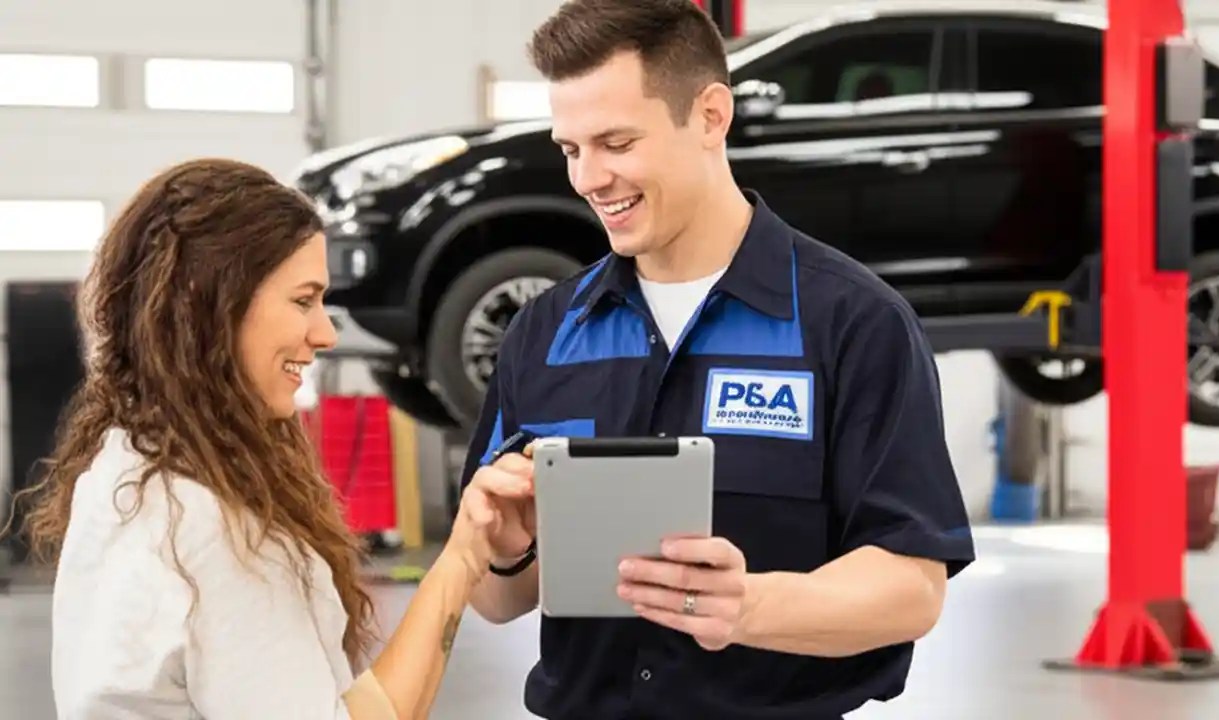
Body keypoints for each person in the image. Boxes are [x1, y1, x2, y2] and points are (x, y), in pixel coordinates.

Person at [457, 1, 976, 718]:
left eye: (616, 142)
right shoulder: (545, 332)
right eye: (571, 149)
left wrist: (751, 606)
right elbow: (494, 598)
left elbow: (913, 588)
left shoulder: (853, 325)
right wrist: (508, 552)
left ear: (710, 117)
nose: (588, 179)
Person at [7, 158, 534, 719]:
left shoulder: (120, 468)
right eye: (303, 300)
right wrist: (461, 558)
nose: (326, 332)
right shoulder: (216, 531)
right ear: (208, 300)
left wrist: (463, 555)